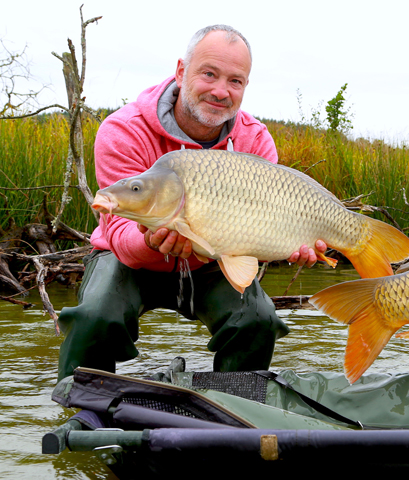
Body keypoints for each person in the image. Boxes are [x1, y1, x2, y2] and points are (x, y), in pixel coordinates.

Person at [57, 25, 326, 382]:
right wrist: (150, 241)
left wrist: (292, 245)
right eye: (209, 74)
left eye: (235, 81)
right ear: (181, 71)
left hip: (212, 260)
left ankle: (236, 413)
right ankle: (80, 412)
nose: (220, 91)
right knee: (94, 317)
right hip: (129, 260)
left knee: (258, 319)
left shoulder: (254, 139)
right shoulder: (123, 130)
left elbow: (253, 243)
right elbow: (121, 235)